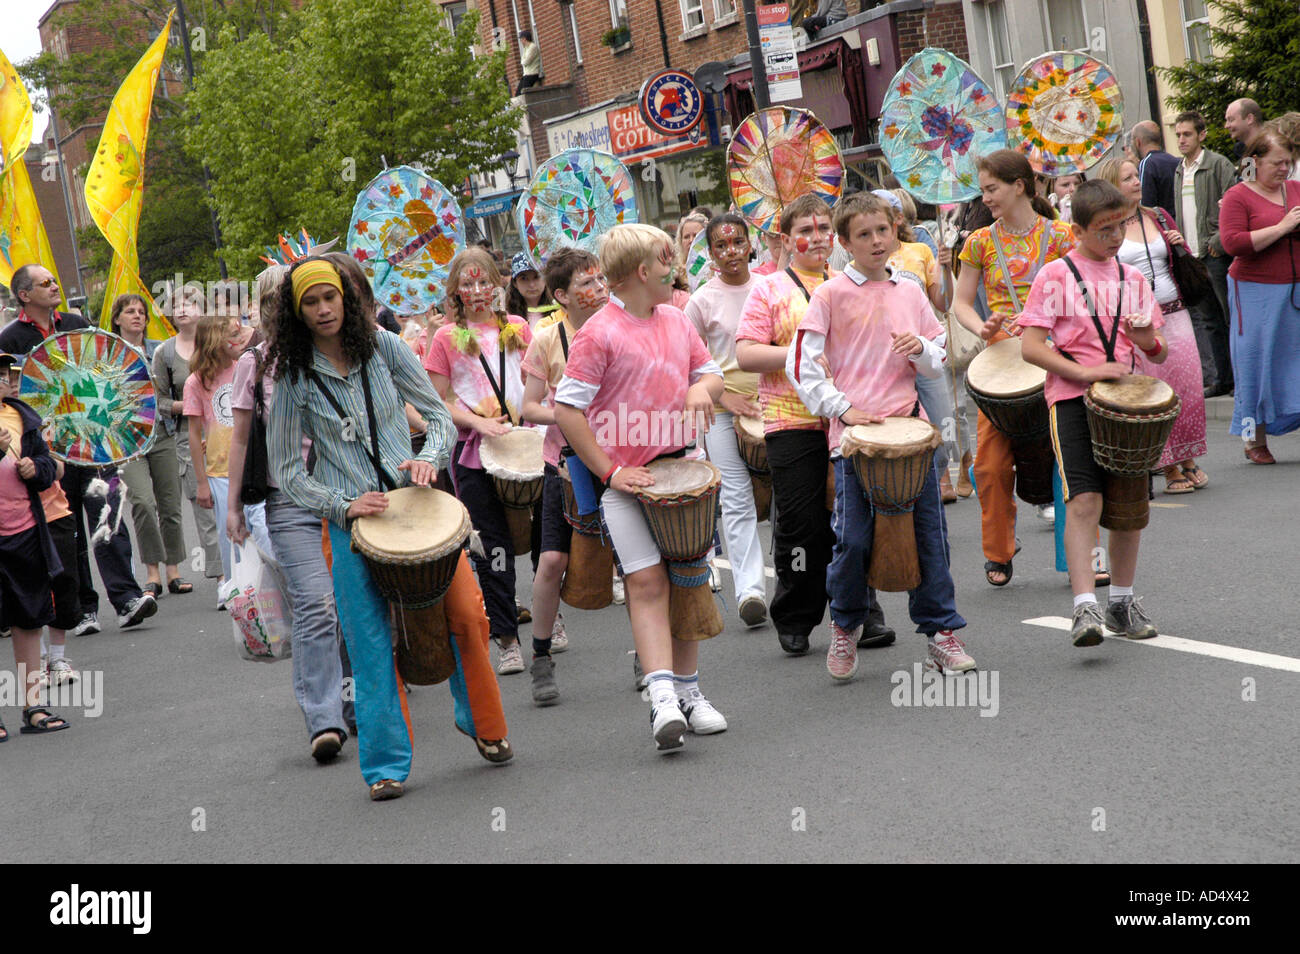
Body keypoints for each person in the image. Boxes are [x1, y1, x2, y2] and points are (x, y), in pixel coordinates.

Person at [267, 256, 510, 800]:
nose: (324, 309)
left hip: (420, 508)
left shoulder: (386, 346)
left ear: (347, 300)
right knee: (370, 641)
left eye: (331, 298)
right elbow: (284, 470)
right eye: (311, 302)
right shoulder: (292, 375)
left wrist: (432, 456)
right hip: (354, 526)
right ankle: (385, 766)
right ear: (297, 312)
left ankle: (485, 725)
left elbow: (440, 414)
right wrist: (341, 505)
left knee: (469, 616)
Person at [553, 223, 728, 751]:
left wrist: (702, 386)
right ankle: (663, 698)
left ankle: (691, 694)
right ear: (639, 272)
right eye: (666, 257)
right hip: (629, 486)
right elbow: (567, 409)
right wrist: (610, 471)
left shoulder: (676, 318)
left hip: (685, 474)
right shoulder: (598, 333)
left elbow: (712, 373)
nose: (676, 263)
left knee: (689, 582)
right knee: (647, 585)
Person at [787, 191, 972, 680]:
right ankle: (845, 627)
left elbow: (936, 357)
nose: (875, 241)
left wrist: (920, 351)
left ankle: (940, 633)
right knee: (851, 541)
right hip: (853, 441)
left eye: (882, 231)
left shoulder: (910, 292)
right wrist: (844, 410)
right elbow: (803, 368)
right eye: (862, 234)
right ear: (844, 242)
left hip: (910, 432)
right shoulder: (829, 295)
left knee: (931, 538)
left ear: (896, 231)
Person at [736, 193, 894, 657]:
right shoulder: (768, 288)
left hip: (848, 418)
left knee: (854, 524)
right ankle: (797, 615)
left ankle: (862, 613)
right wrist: (800, 356)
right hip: (792, 421)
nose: (816, 238)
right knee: (803, 526)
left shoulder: (851, 282)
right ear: (786, 239)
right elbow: (746, 354)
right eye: (805, 230)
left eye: (824, 228)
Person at [1018, 179, 1168, 646]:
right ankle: (1085, 607)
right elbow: (1030, 347)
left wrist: (1145, 339)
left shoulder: (1134, 279)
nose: (1116, 236)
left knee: (1128, 509)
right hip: (1070, 399)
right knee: (1084, 501)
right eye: (1104, 229)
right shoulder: (1055, 274)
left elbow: (1156, 352)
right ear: (1078, 230)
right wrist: (1081, 373)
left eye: (1120, 225)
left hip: (1125, 404)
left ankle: (1121, 602)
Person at [227, 264, 355, 762]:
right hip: (290, 501)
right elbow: (238, 438)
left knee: (350, 602)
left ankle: (355, 702)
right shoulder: (253, 364)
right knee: (318, 603)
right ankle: (323, 719)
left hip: (346, 498)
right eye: (286, 299)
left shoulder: (335, 350)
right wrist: (233, 507)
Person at [2, 265, 155, 633]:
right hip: (48, 450)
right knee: (69, 533)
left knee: (108, 517)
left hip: (94, 440)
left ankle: (127, 599)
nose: (55, 286)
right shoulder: (10, 341)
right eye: (46, 283)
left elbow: (105, 370)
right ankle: (83, 609)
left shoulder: (76, 324)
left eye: (55, 280)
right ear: (24, 295)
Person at [952, 151, 1075, 586]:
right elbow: (961, 304)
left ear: (1019, 185)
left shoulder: (1063, 236)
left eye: (991, 189)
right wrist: (982, 327)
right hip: (1003, 360)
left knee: (1070, 461)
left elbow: (1083, 292)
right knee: (988, 466)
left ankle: (1079, 556)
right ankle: (999, 551)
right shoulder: (980, 242)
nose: (985, 199)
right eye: (984, 191)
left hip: (1057, 352)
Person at [423, 248, 535, 674]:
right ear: (455, 291)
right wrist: (479, 423)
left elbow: (537, 383)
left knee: (543, 541)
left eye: (483, 282)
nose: (476, 292)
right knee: (493, 547)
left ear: (498, 285)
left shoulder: (521, 327)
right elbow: (435, 403)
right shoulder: (446, 338)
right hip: (473, 455)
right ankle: (507, 636)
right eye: (466, 285)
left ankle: (548, 615)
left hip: (526, 445)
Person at [519, 248, 609, 704]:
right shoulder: (547, 338)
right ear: (561, 296)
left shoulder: (620, 324)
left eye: (600, 279)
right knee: (552, 561)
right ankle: (540, 656)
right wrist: (568, 413)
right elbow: (528, 407)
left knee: (635, 564)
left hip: (619, 461)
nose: (598, 290)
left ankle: (648, 660)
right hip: (566, 465)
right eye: (586, 284)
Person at [1095, 158, 1209, 493]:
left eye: (1135, 175)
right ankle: (1169, 466)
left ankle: (1189, 458)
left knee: (1187, 388)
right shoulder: (1107, 226)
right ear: (1112, 186)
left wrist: (1178, 242)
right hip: (1139, 321)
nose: (1135, 181)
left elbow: (1182, 258)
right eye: (1127, 177)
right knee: (1155, 391)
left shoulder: (1157, 215)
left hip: (1175, 311)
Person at [684, 213, 768, 625]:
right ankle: (750, 592)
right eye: (721, 245)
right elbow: (685, 364)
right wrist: (727, 397)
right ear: (711, 252)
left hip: (775, 404)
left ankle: (796, 582)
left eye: (737, 243)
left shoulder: (770, 287)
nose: (731, 252)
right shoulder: (701, 300)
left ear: (750, 244)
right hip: (719, 411)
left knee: (787, 497)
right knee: (736, 499)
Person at [0, 351, 72, 739]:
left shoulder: (23, 417)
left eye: (4, 372)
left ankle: (33, 706)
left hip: (24, 530)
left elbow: (48, 465)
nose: (4, 379)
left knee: (29, 619)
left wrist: (36, 469)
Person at [1218, 127, 1300, 463]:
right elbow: (1233, 243)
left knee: (1291, 361)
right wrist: (1281, 228)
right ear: (1255, 161)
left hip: (1294, 289)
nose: (1284, 169)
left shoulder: (1295, 190)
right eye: (1277, 163)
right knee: (1255, 363)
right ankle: (1253, 439)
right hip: (1253, 291)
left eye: (1289, 163)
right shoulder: (1239, 195)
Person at [876, 189, 959, 503]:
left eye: (884, 218)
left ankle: (937, 477)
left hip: (923, 354)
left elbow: (944, 301)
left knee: (941, 427)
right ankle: (911, 494)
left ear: (897, 219)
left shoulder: (920, 251)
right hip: (885, 362)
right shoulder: (864, 258)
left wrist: (947, 268)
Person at [111, 294, 192, 597]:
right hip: (127, 439)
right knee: (143, 502)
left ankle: (173, 570)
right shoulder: (108, 352)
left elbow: (172, 392)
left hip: (162, 433)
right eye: (129, 311)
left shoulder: (161, 350)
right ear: (117, 318)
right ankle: (152, 573)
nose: (137, 316)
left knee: (170, 505)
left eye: (141, 312)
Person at [155, 284, 223, 588]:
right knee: (204, 504)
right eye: (176, 304)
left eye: (189, 303)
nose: (182, 308)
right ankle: (223, 576)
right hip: (188, 437)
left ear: (202, 309)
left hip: (226, 432)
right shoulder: (164, 352)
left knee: (235, 502)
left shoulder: (219, 344)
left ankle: (249, 570)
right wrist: (184, 405)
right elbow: (157, 403)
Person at [184, 313, 254, 595]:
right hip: (219, 470)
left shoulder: (245, 367)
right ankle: (234, 587)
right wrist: (201, 482)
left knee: (256, 527)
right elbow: (193, 433)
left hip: (250, 464)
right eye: (232, 335)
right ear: (216, 341)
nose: (238, 339)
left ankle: (259, 586)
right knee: (230, 534)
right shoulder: (196, 381)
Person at [1172, 110, 1238, 398]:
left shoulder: (1218, 164)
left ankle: (1240, 379)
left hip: (1214, 251)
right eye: (1178, 135)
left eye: (1187, 134)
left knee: (1229, 316)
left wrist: (1220, 239)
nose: (1181, 140)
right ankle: (1222, 379)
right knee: (1209, 320)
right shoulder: (1179, 169)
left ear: (1202, 135)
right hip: (1193, 254)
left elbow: (1234, 202)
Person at [1131, 120, 1180, 219]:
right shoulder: (1177, 161)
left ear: (1138, 142)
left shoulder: (1147, 163)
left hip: (1162, 227)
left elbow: (1145, 205)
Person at [506, 252, 557, 329]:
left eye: (536, 277)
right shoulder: (506, 317)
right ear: (515, 283)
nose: (531, 284)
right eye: (524, 278)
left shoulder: (560, 311)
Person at [516, 30, 541, 95]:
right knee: (518, 94)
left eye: (521, 39)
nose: (521, 41)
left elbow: (526, 61)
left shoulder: (532, 47)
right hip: (526, 74)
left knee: (524, 93)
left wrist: (523, 61)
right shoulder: (526, 48)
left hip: (532, 74)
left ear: (524, 38)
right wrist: (523, 61)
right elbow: (523, 60)